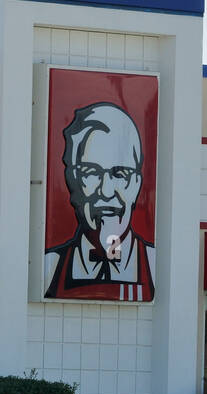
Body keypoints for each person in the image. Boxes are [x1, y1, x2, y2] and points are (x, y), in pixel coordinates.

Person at [45, 102, 155, 301]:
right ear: (72, 179)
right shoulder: (48, 267)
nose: (106, 191)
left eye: (120, 173)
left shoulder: (157, 266)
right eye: (91, 172)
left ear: (137, 183)